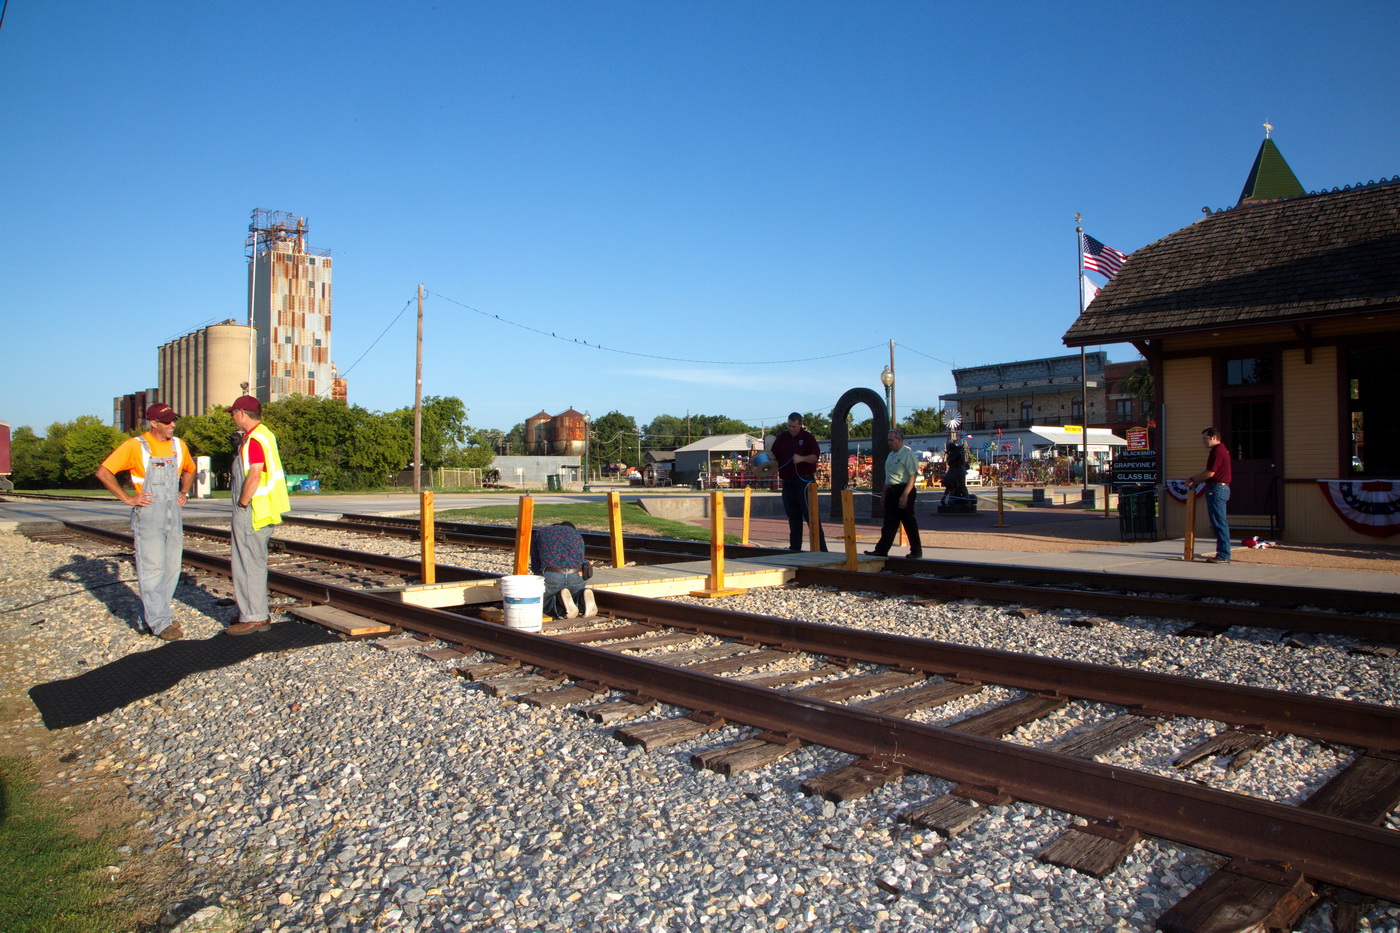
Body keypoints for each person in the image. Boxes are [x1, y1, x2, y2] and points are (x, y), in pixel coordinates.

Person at [95, 402, 196, 640]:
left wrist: (185, 492)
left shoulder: (179, 446)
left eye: (173, 420)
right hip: (149, 512)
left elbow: (190, 470)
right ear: (153, 423)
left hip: (173, 510)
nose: (172, 425)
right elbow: (103, 472)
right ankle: (160, 623)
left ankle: (149, 618)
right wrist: (127, 499)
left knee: (171, 568)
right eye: (167, 421)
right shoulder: (135, 446)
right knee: (152, 568)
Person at [225, 396, 291, 634]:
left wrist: (242, 503)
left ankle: (253, 617)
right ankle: (254, 612)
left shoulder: (253, 440)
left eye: (233, 413)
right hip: (264, 509)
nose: (232, 417)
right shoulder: (266, 434)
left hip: (252, 510)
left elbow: (254, 475)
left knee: (246, 563)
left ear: (242, 413)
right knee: (253, 561)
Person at [865, 429, 923, 558]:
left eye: (892, 440)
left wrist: (905, 494)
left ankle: (916, 551)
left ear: (899, 440)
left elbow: (912, 475)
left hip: (903, 489)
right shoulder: (891, 455)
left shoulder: (907, 454)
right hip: (891, 489)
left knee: (908, 521)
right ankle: (881, 550)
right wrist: (884, 493)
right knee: (889, 523)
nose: (889, 443)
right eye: (888, 440)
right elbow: (889, 476)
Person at [771, 412, 822, 551]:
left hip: (804, 482)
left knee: (810, 514)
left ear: (800, 425)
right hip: (788, 482)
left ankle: (821, 548)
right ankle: (795, 547)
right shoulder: (782, 438)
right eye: (789, 426)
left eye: (794, 426)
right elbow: (773, 455)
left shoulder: (807, 438)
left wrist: (802, 458)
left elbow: (815, 457)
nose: (791, 429)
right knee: (793, 516)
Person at [530, 521, 597, 620]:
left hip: (553, 574)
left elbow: (536, 563)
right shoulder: (576, 534)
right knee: (574, 594)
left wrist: (540, 576)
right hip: (576, 575)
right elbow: (581, 558)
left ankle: (558, 601)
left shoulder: (540, 532)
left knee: (541, 601)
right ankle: (582, 597)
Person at [1186, 426, 1233, 564]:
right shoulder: (1220, 450)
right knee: (1219, 522)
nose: (1203, 441)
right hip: (1219, 488)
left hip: (1217, 489)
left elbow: (1210, 473)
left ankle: (1223, 555)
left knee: (1219, 523)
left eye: (1205, 438)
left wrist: (1192, 479)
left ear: (1213, 437)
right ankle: (1223, 553)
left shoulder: (1218, 451)